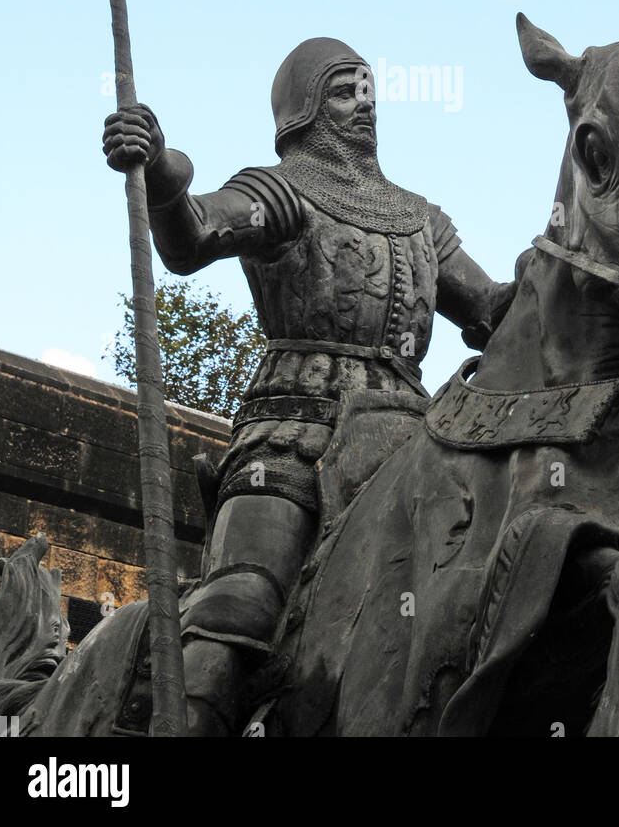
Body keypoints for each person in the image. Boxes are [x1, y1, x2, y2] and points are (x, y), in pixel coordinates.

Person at [103, 36, 515, 734]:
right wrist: (165, 180)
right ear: (304, 108)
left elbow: (491, 309)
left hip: (412, 445)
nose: (366, 104)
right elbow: (192, 237)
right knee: (239, 608)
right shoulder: (283, 189)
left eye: (369, 89)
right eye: (344, 90)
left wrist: (581, 282)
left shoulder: (419, 219)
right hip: (292, 435)